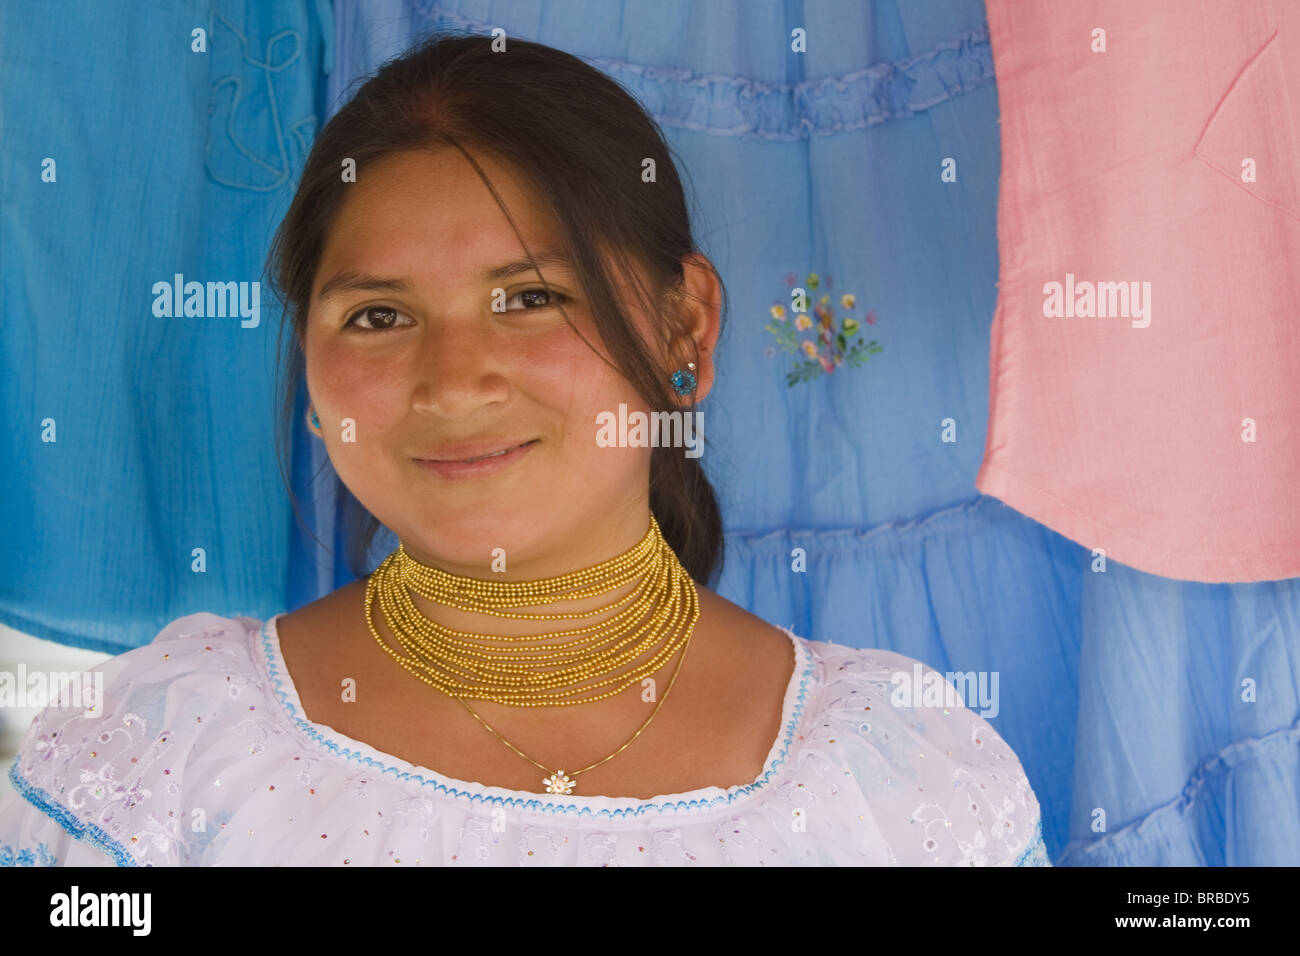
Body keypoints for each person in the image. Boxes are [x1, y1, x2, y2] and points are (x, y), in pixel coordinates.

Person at [0, 33, 1048, 867]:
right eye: (376, 316)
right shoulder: (158, 754)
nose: (453, 380)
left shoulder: (900, 778)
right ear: (310, 377)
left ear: (687, 330)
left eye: (530, 298)